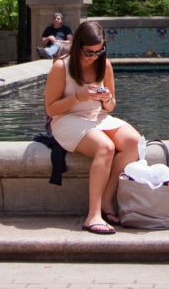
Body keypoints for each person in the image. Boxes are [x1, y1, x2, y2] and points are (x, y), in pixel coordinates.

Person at [43, 20, 142, 235]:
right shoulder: (61, 67)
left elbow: (111, 105)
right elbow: (51, 109)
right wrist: (78, 97)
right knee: (105, 147)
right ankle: (93, 215)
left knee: (134, 142)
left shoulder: (104, 65)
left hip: (98, 117)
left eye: (99, 51)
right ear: (78, 46)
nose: (94, 57)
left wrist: (106, 99)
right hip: (67, 119)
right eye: (89, 52)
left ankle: (107, 201)